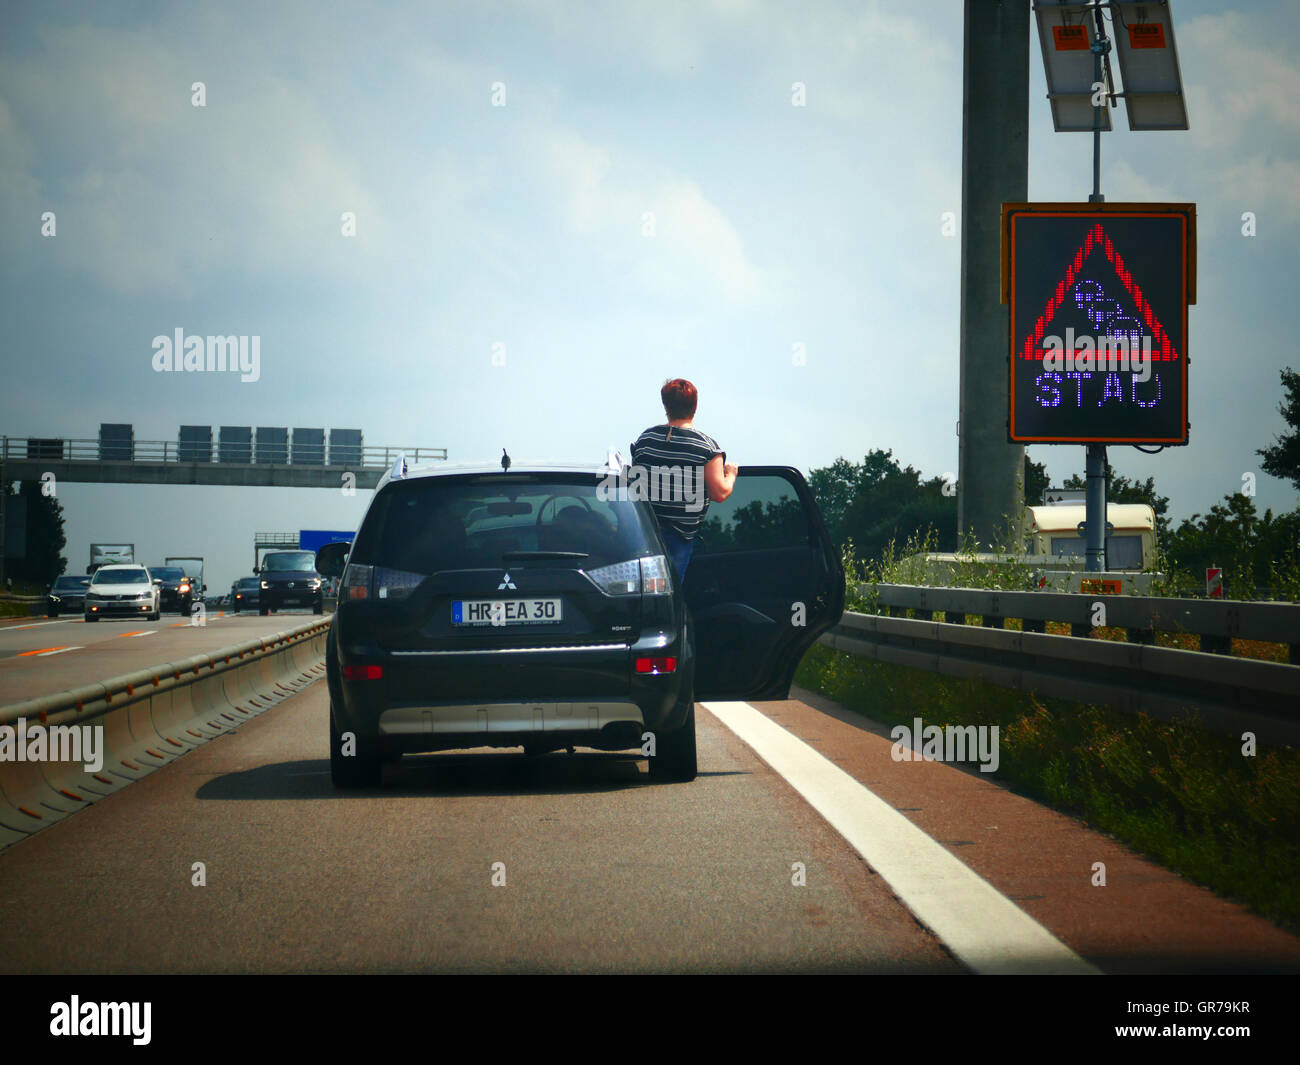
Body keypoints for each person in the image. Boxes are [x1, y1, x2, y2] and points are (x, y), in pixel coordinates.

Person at [630, 378, 738, 583]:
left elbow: (635, 486)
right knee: (668, 597)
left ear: (666, 406)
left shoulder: (646, 439)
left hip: (644, 533)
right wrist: (730, 473)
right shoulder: (706, 447)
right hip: (679, 537)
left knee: (643, 594)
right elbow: (720, 493)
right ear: (695, 407)